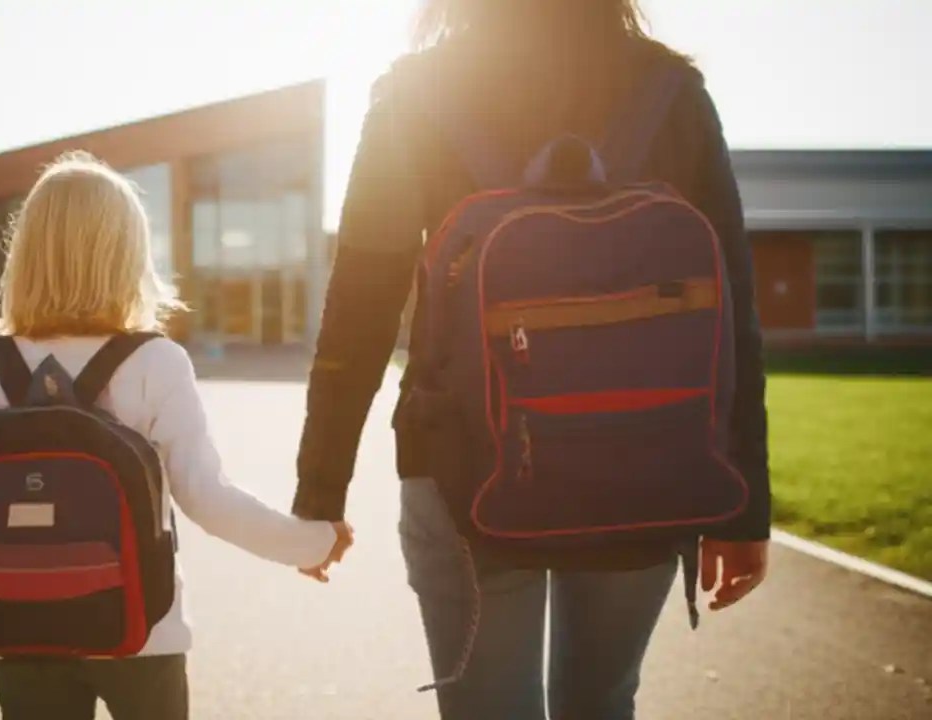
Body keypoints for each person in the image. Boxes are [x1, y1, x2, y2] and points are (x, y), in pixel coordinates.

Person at [293, 1, 770, 718]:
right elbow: (732, 304)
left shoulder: (415, 94)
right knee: (601, 702)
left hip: (461, 466)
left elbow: (359, 309)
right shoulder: (672, 93)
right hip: (647, 463)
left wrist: (320, 495)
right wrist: (745, 507)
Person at [0, 151, 354, 720]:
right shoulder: (156, 362)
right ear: (128, 255)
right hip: (141, 631)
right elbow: (207, 496)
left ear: (28, 256)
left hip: (23, 629)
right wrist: (309, 543)